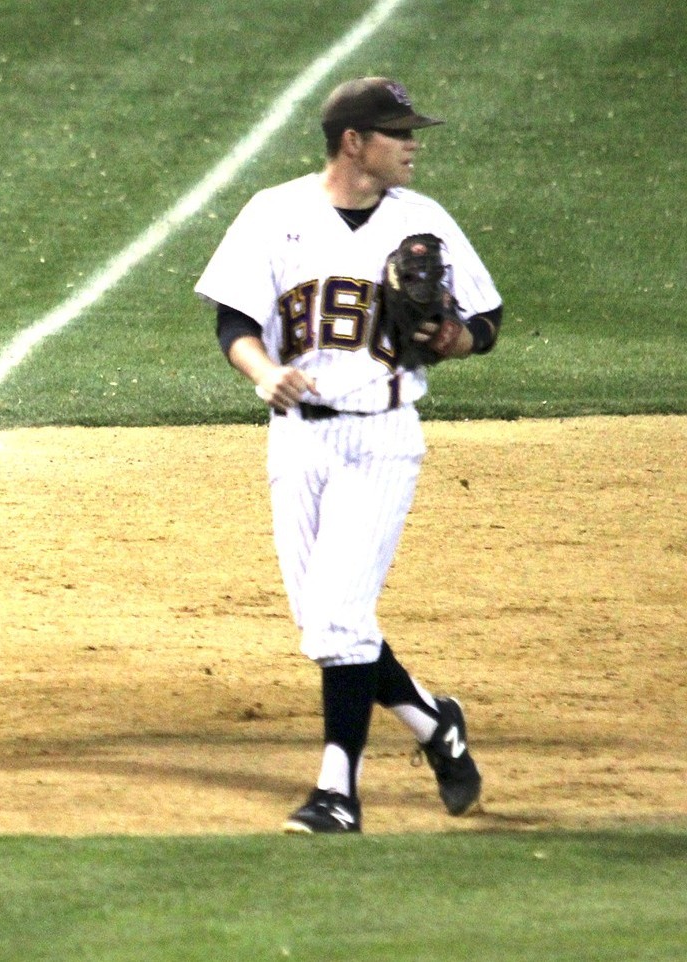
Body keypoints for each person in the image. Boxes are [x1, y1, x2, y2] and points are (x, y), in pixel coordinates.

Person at [194, 77, 503, 832]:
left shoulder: (423, 221)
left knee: (337, 619)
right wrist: (265, 372)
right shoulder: (275, 213)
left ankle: (339, 791)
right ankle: (436, 725)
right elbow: (234, 320)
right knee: (327, 623)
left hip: (381, 439)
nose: (413, 144)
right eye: (398, 133)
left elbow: (486, 318)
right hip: (298, 437)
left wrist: (457, 338)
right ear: (353, 142)